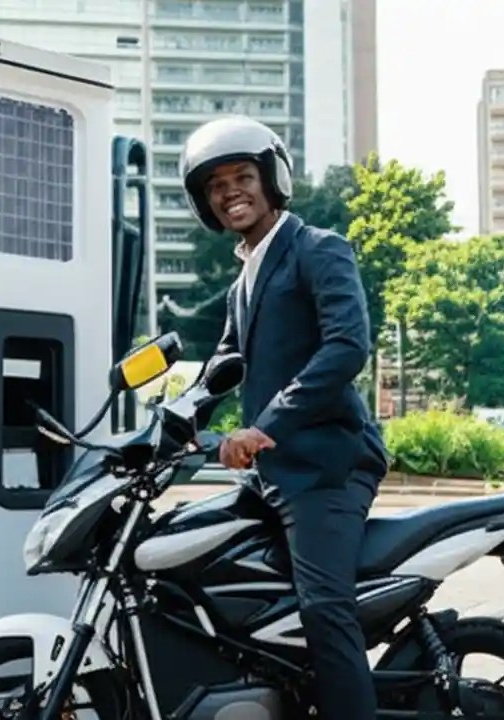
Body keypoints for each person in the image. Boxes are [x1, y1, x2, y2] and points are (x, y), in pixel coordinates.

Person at [179, 115, 390, 719]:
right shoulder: (242, 281)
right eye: (216, 186)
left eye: (242, 178)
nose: (230, 193)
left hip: (327, 467)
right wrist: (170, 423)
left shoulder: (318, 249)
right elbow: (223, 367)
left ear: (272, 180)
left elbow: (346, 347)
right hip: (272, 476)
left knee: (324, 609)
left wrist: (264, 426)